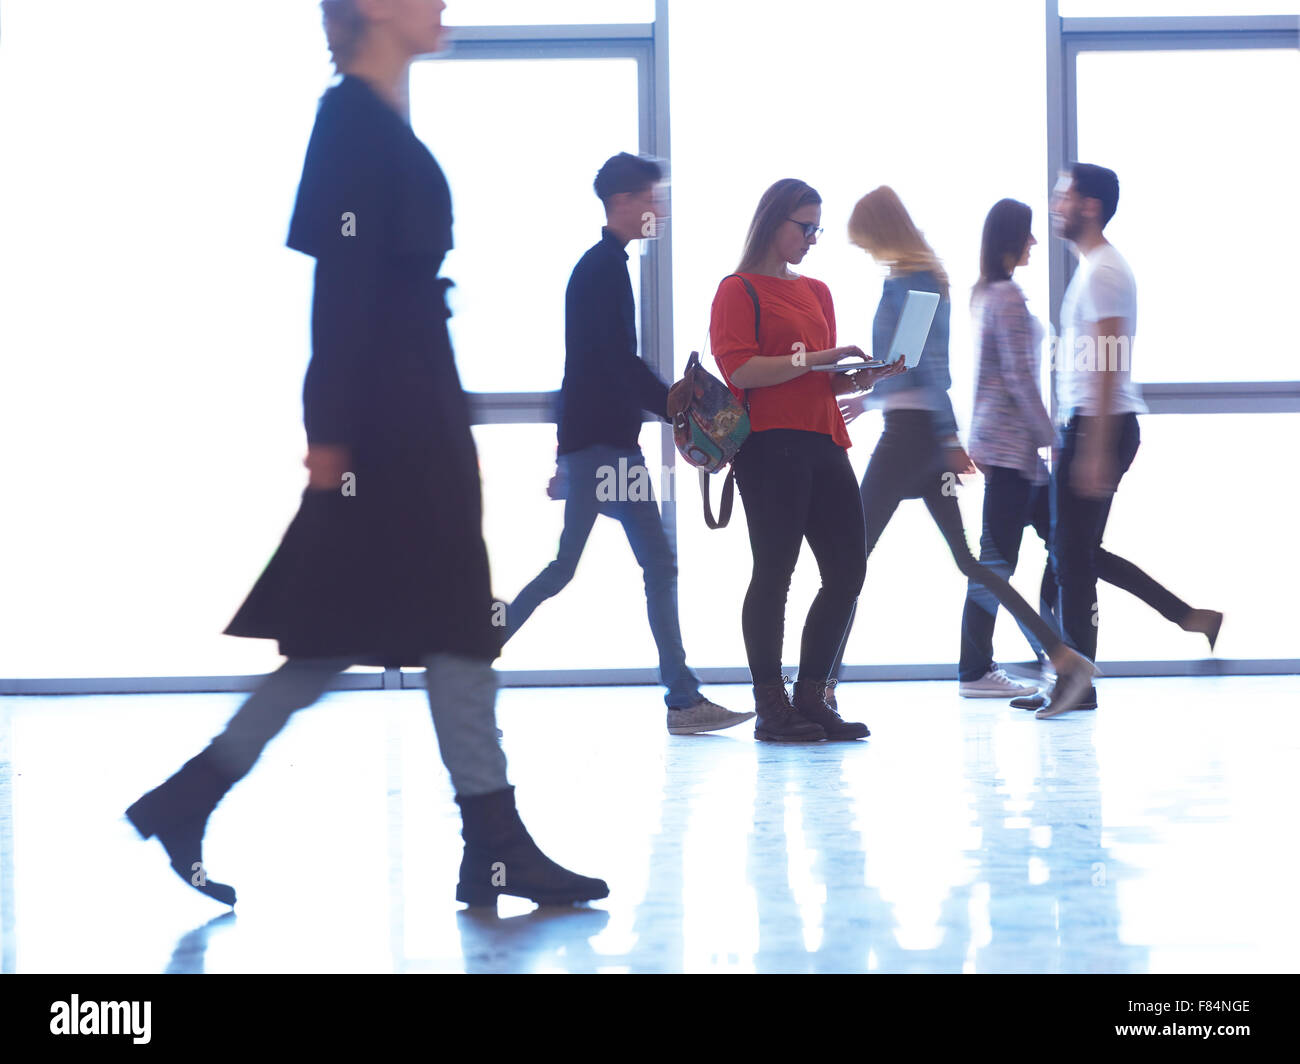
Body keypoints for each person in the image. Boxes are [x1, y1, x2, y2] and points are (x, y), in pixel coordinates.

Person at [124, 0, 607, 909]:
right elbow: (338, 295)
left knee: (355, 634)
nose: (444, 4)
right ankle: (492, 848)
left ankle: (190, 799)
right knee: (441, 628)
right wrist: (331, 442)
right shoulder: (349, 122)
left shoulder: (371, 120)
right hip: (394, 430)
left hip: (407, 415)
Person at [504, 153, 751, 736]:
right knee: (598, 568)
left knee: (613, 566)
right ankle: (682, 699)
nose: (657, 209)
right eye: (650, 198)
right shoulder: (601, 271)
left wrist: (572, 450)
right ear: (621, 204)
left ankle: (683, 699)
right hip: (604, 452)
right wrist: (677, 405)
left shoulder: (604, 267)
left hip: (606, 448)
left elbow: (593, 368)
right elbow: (607, 365)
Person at [830, 187, 1097, 716]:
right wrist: (870, 398)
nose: (865, 252)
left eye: (865, 243)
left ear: (882, 232)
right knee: (971, 562)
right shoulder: (918, 277)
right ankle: (1063, 656)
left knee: (848, 559)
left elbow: (923, 370)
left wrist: (945, 438)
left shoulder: (916, 281)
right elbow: (906, 368)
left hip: (911, 437)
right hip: (919, 432)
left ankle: (817, 685)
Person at [957, 198, 1223, 700]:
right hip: (1019, 452)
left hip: (1026, 450)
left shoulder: (994, 293)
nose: (1037, 240)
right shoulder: (1008, 297)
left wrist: (1061, 441)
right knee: (1031, 560)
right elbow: (1013, 379)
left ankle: (1061, 669)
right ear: (1011, 240)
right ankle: (988, 669)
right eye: (1028, 233)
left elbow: (1008, 380)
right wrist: (1052, 437)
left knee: (1062, 558)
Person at [1023, 163, 1219, 718]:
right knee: (1068, 551)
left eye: (1063, 198)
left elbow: (1110, 364)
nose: (1055, 206)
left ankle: (1076, 681)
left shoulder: (1107, 271)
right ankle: (1181, 619)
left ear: (1088, 206)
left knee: (1072, 558)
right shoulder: (1094, 269)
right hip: (1083, 424)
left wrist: (1094, 446)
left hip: (1100, 423)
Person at [709, 178, 903, 741]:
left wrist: (861, 378)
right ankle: (772, 709)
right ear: (774, 222)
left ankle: (813, 697)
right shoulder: (737, 289)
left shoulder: (817, 291)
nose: (813, 238)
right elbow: (741, 371)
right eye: (806, 226)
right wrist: (821, 357)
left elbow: (813, 380)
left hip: (825, 438)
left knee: (848, 570)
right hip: (769, 446)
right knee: (775, 572)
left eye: (818, 227)